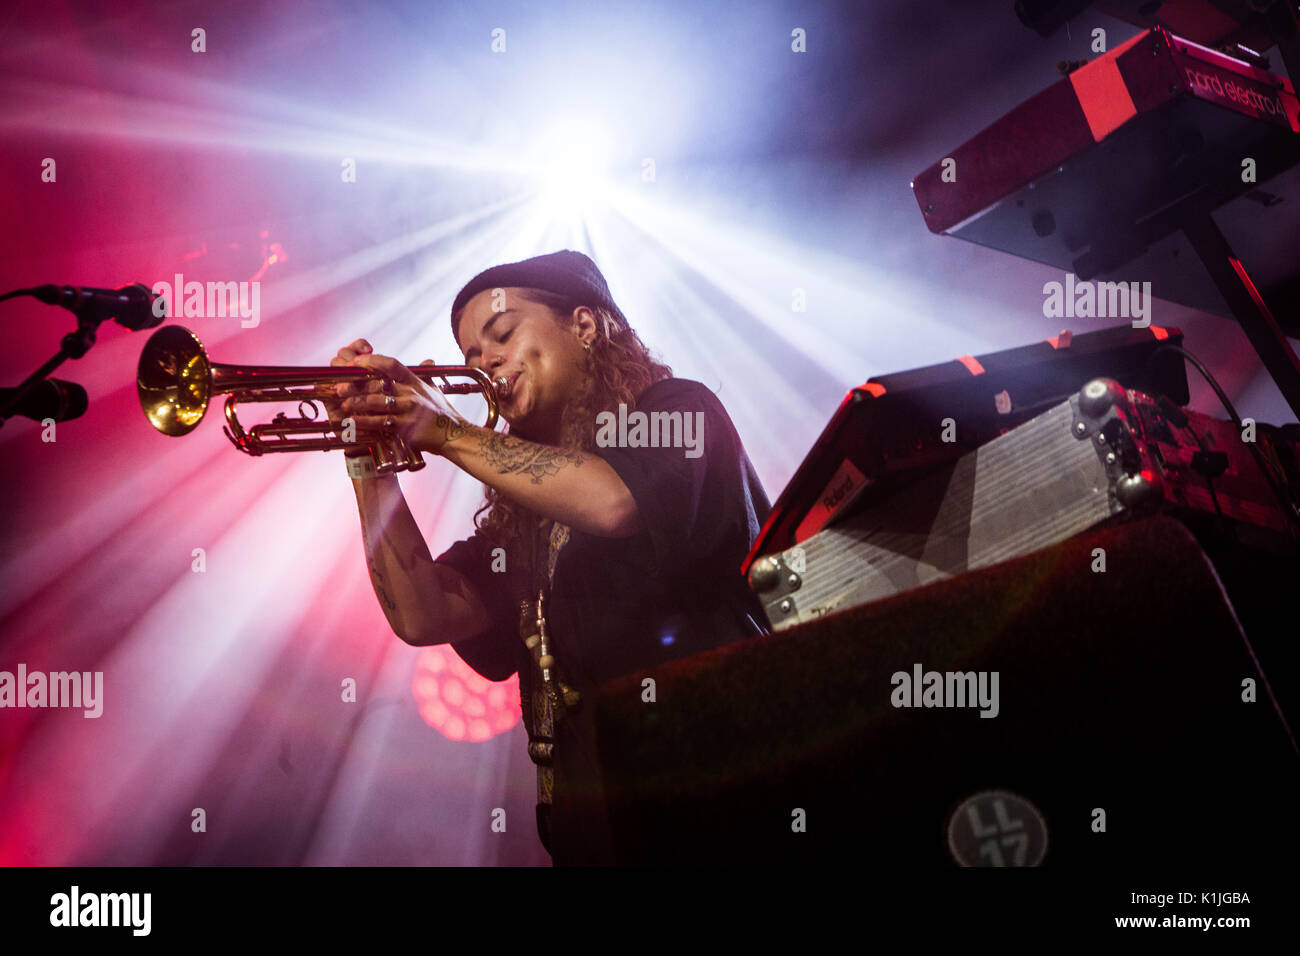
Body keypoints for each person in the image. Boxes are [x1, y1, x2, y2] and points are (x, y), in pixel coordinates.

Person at [327, 250, 770, 864]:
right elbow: (421, 614)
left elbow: (615, 501)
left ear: (584, 327)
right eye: (472, 357)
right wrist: (364, 454)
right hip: (596, 832)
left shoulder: (679, 411)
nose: (486, 364)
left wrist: (446, 432)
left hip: (726, 803)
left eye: (502, 335)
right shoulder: (522, 520)